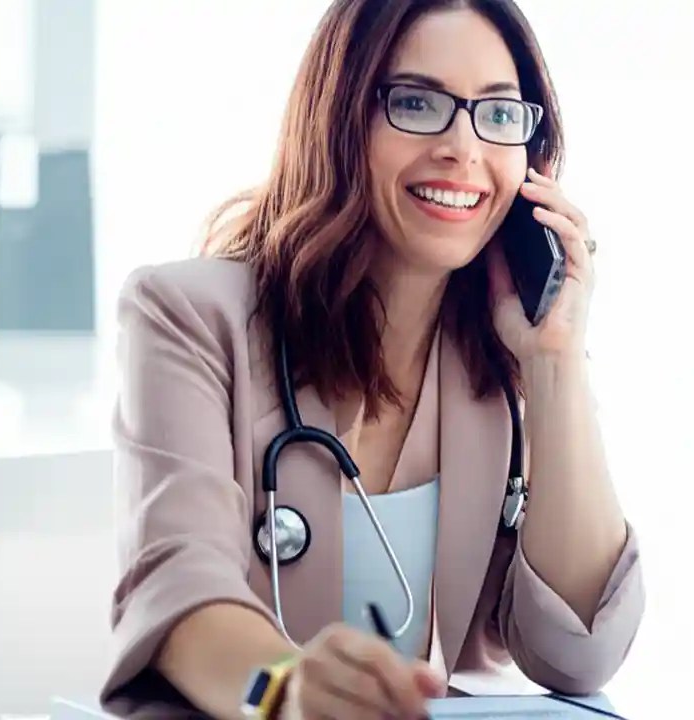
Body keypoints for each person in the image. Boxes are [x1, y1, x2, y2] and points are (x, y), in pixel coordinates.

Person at [98, 1, 645, 718]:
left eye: (499, 114)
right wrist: (285, 692)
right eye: (417, 103)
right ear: (339, 118)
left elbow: (577, 653)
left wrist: (555, 362)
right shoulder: (188, 316)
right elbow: (180, 594)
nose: (463, 147)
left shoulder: (504, 355)